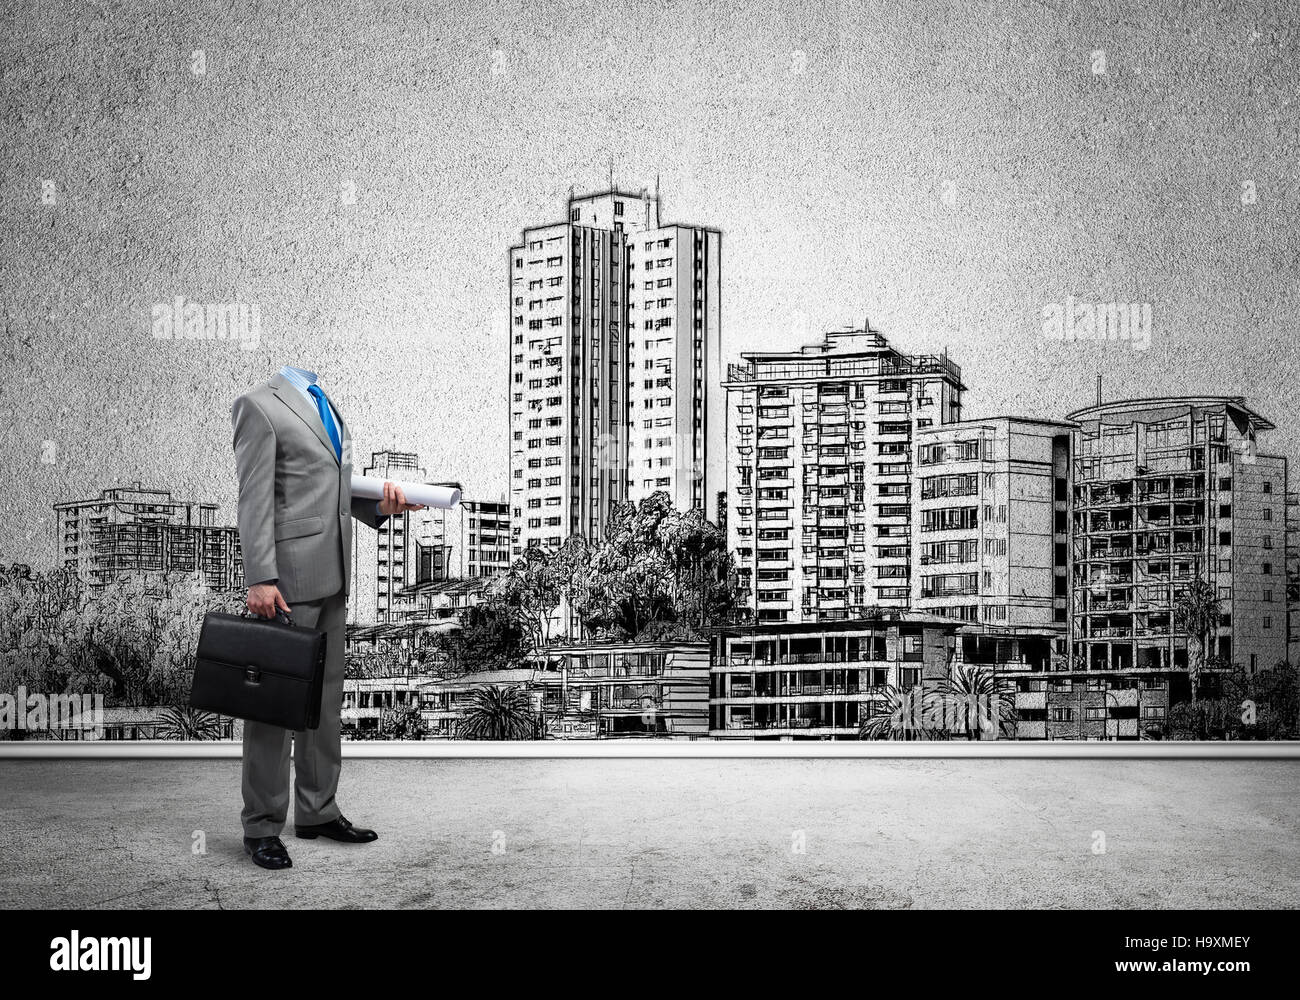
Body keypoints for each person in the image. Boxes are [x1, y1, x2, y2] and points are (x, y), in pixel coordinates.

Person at [230, 364, 423, 870]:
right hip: (285, 582)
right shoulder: (259, 405)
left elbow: (328, 489)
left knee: (324, 705)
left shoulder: (324, 402)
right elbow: (253, 496)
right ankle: (262, 827)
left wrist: (380, 508)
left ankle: (317, 811)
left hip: (333, 576)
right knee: (273, 710)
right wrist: (259, 577)